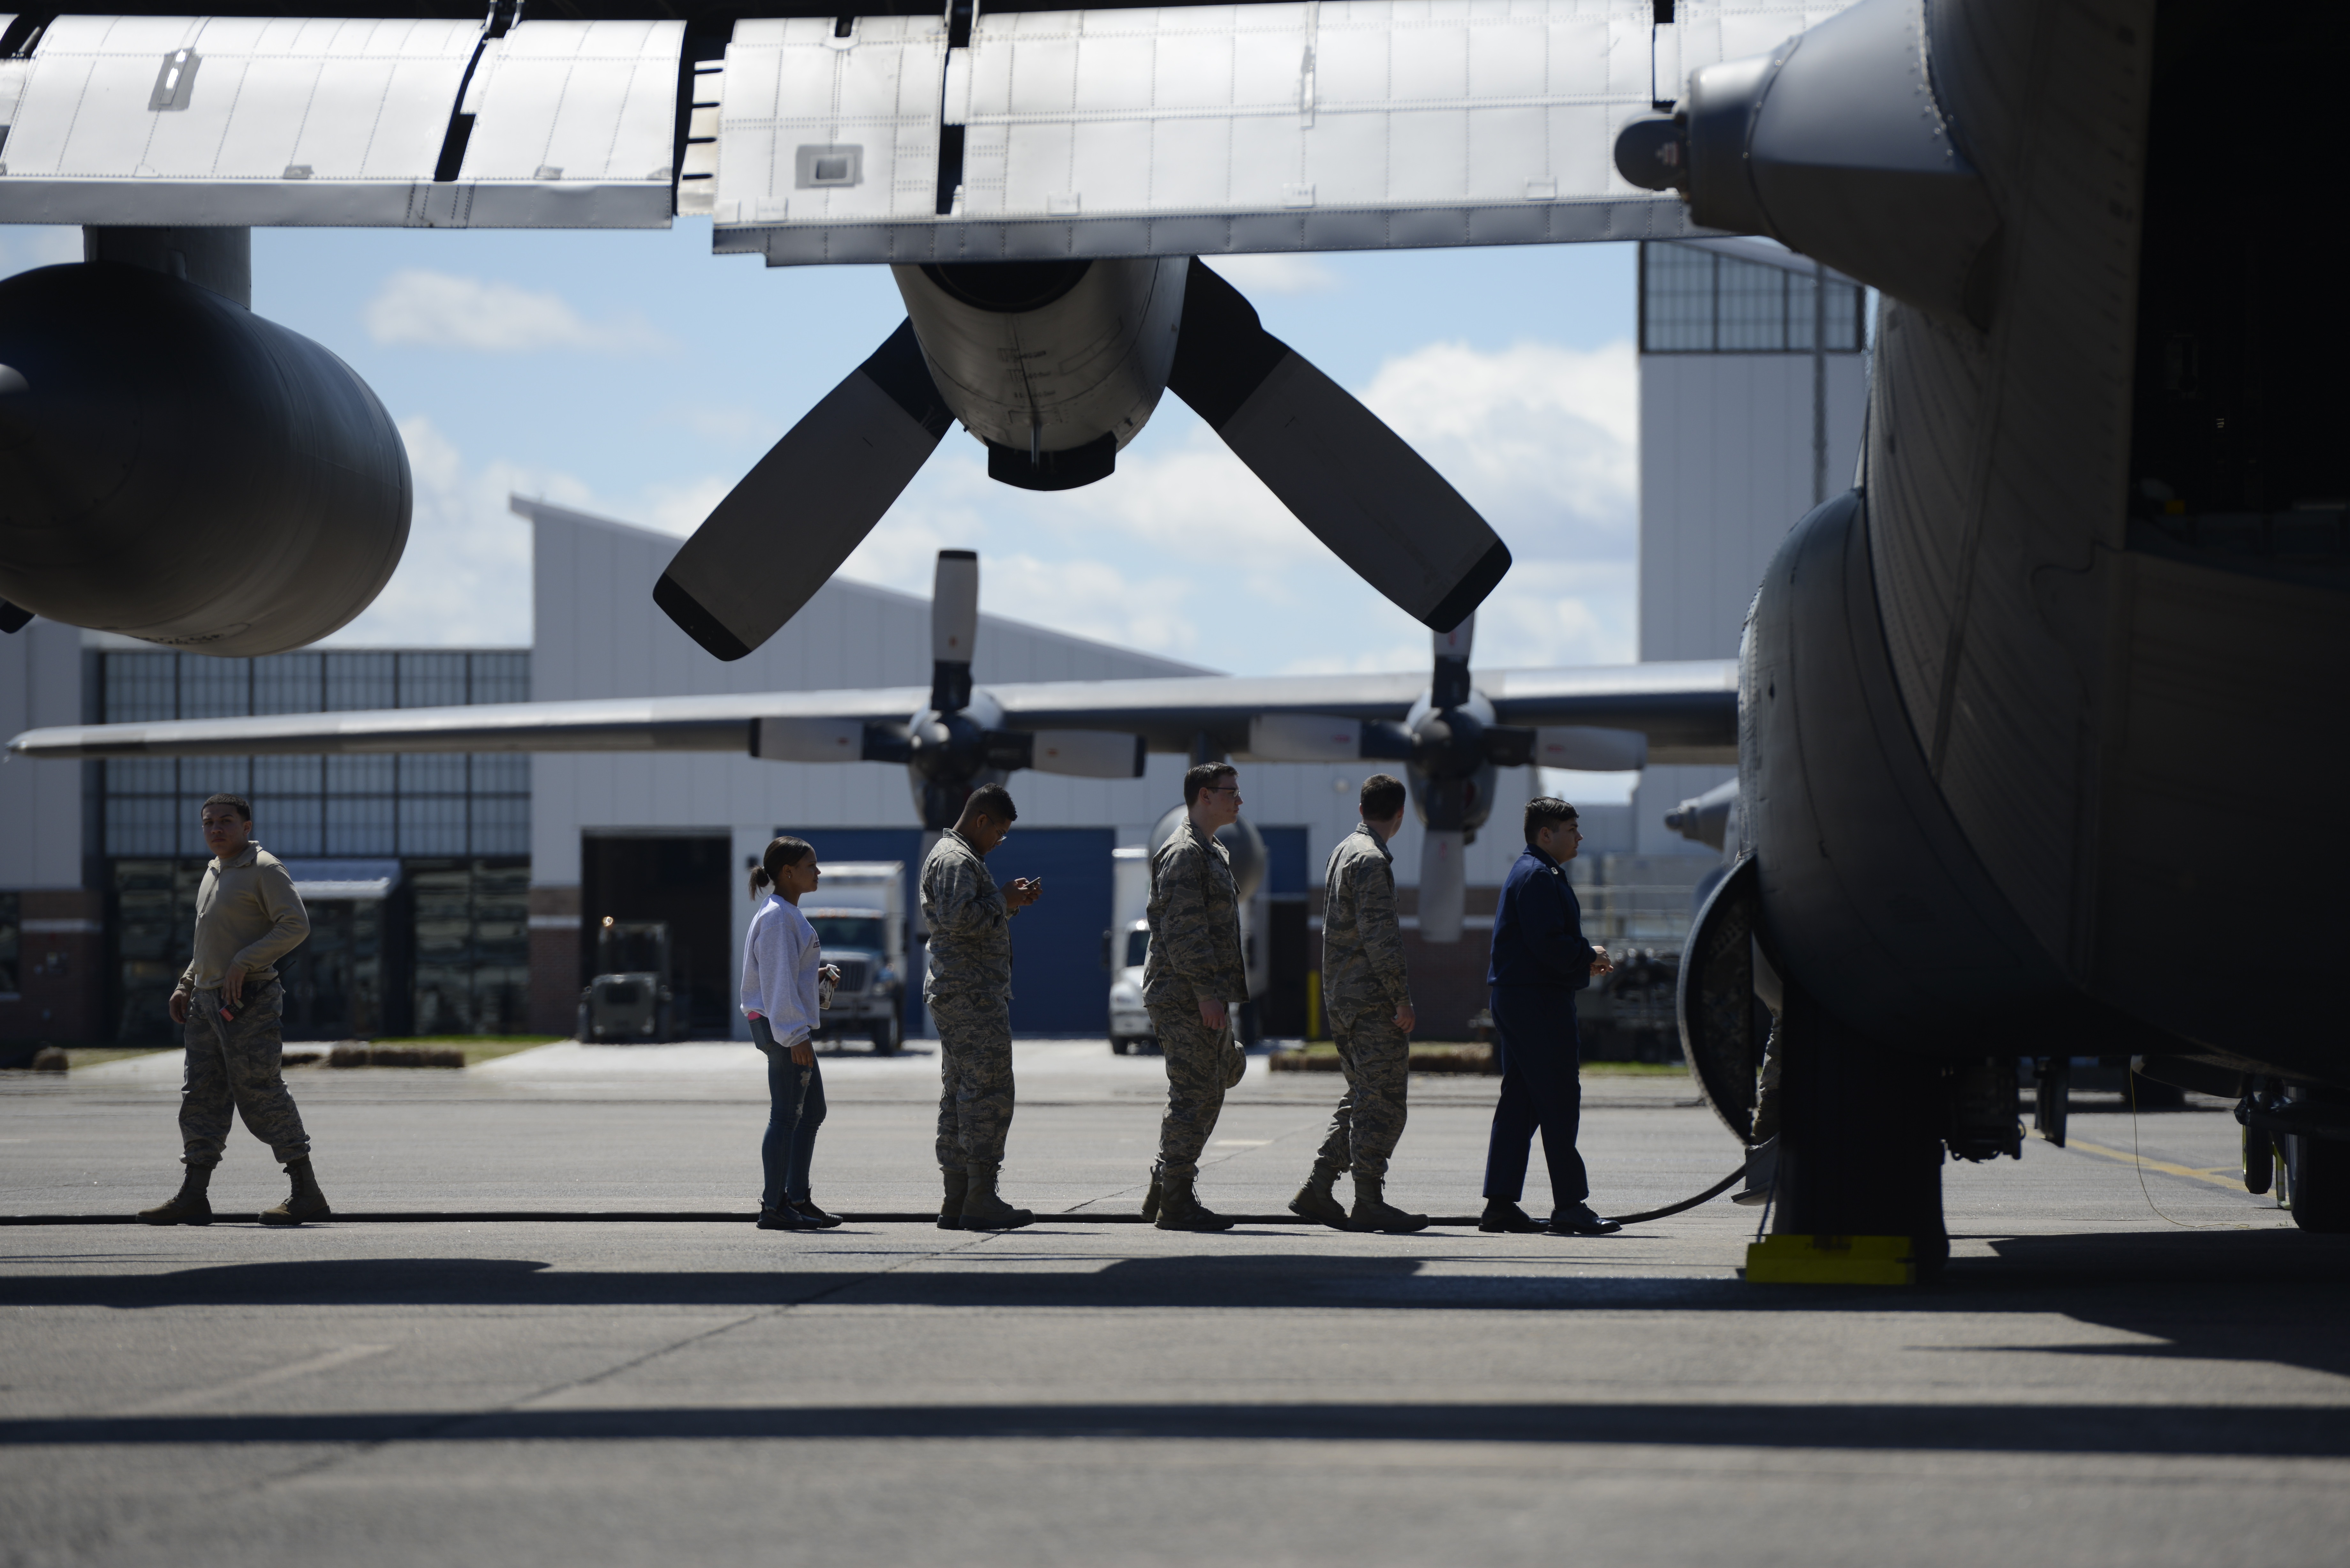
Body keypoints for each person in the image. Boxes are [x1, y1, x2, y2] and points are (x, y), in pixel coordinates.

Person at [138, 794, 324, 1227]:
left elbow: (296, 924)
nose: (216, 829)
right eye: (208, 823)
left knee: (260, 1090)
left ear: (247, 825)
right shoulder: (214, 871)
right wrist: (187, 983)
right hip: (206, 1002)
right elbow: (211, 942)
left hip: (248, 999)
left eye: (225, 821)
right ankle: (193, 1196)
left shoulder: (264, 869)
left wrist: (247, 960)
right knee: (201, 1095)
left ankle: (306, 1191)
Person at [1479, 796, 1623, 1238]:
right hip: (1537, 1002)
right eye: (1572, 829)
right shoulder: (1539, 877)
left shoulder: (1535, 873)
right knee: (1559, 1098)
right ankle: (1570, 1206)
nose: (1579, 837)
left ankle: (1501, 1204)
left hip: (1522, 998)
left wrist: (1579, 958)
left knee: (1521, 1104)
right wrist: (1589, 955)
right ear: (1547, 834)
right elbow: (1549, 944)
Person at [1291, 774, 1428, 1233]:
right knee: (1385, 1102)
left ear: (1362, 809)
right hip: (1370, 1001)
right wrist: (1401, 998)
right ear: (1400, 815)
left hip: (1342, 997)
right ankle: (1369, 1200)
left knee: (1362, 1096)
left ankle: (1319, 1187)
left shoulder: (1344, 850)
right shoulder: (1371, 860)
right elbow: (1381, 938)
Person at [920, 782, 1042, 1231]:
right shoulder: (955, 860)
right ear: (981, 821)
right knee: (988, 1093)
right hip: (970, 994)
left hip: (965, 991)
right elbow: (959, 921)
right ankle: (980, 1197)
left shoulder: (960, 858)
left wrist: (1008, 905)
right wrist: (1003, 899)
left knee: (960, 1094)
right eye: (1000, 832)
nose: (1000, 841)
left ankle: (959, 1197)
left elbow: (969, 918)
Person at [1140, 761, 1250, 1233]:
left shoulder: (1211, 850)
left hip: (1200, 992)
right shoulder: (1185, 853)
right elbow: (1184, 931)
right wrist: (1206, 993)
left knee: (1219, 1077)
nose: (1238, 800)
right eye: (1230, 792)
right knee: (1194, 1093)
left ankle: (1164, 1189)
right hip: (1183, 993)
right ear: (1205, 796)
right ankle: (1177, 1201)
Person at [741, 836, 845, 1232]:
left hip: (785, 1024)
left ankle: (797, 1198)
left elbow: (784, 973)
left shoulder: (783, 914)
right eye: (810, 866)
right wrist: (794, 1032)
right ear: (787, 872)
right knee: (786, 1116)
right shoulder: (777, 918)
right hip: (780, 1026)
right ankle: (775, 1206)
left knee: (812, 1111)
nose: (817, 872)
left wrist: (812, 976)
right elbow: (776, 982)